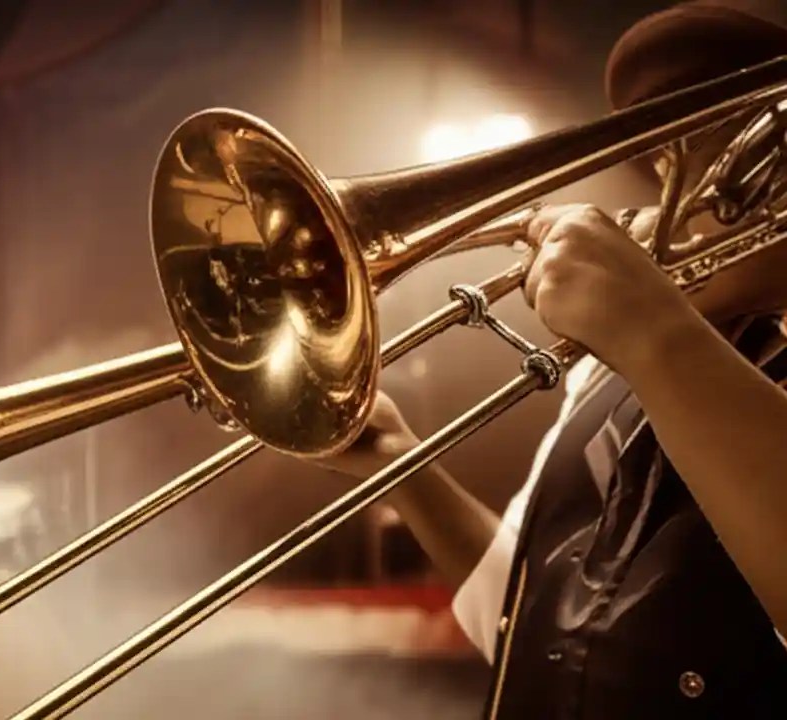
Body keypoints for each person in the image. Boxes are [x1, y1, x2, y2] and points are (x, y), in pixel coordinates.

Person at [319, 4, 787, 718]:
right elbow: (529, 617)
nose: (679, 201)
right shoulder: (608, 374)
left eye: (730, 165)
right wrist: (396, 459)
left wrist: (651, 330)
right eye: (666, 165)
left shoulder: (650, 347)